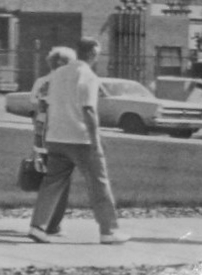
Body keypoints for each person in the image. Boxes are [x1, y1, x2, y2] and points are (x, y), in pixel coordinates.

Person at [27, 37, 127, 245]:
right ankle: (108, 230)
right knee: (99, 183)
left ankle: (38, 226)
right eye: (97, 54)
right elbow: (88, 110)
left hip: (55, 136)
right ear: (91, 54)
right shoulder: (88, 75)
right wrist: (95, 138)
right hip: (80, 138)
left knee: (52, 183)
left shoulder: (58, 74)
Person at [25, 47, 76, 238]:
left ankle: (44, 220)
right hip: (62, 135)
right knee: (62, 180)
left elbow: (35, 107)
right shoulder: (67, 83)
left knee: (49, 180)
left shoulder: (41, 82)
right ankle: (53, 224)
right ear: (63, 64)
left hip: (42, 136)